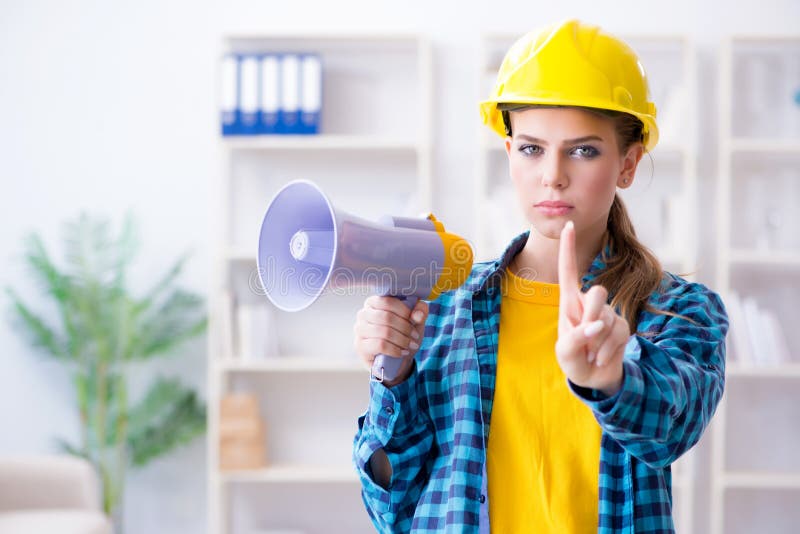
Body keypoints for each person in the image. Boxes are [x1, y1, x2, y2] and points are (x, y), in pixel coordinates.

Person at [352, 19, 728, 533]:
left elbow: (672, 426)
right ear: (510, 155)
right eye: (531, 148)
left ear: (629, 164)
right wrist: (390, 376)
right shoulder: (440, 307)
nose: (552, 173)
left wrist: (612, 380)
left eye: (583, 149)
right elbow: (392, 509)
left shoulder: (678, 309)